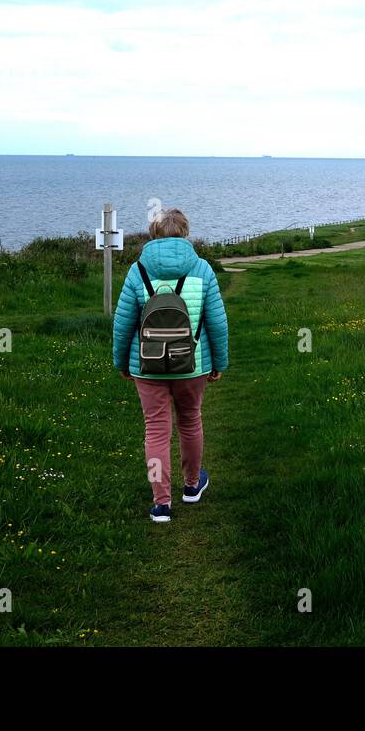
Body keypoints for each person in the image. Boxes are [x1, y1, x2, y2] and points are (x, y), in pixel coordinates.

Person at [112, 208, 229, 523]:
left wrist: (122, 361)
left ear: (153, 235)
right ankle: (192, 486)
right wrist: (220, 361)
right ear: (185, 234)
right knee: (190, 421)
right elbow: (217, 323)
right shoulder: (202, 269)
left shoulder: (138, 271)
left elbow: (123, 324)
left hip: (146, 366)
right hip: (192, 364)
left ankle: (161, 503)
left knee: (156, 430)